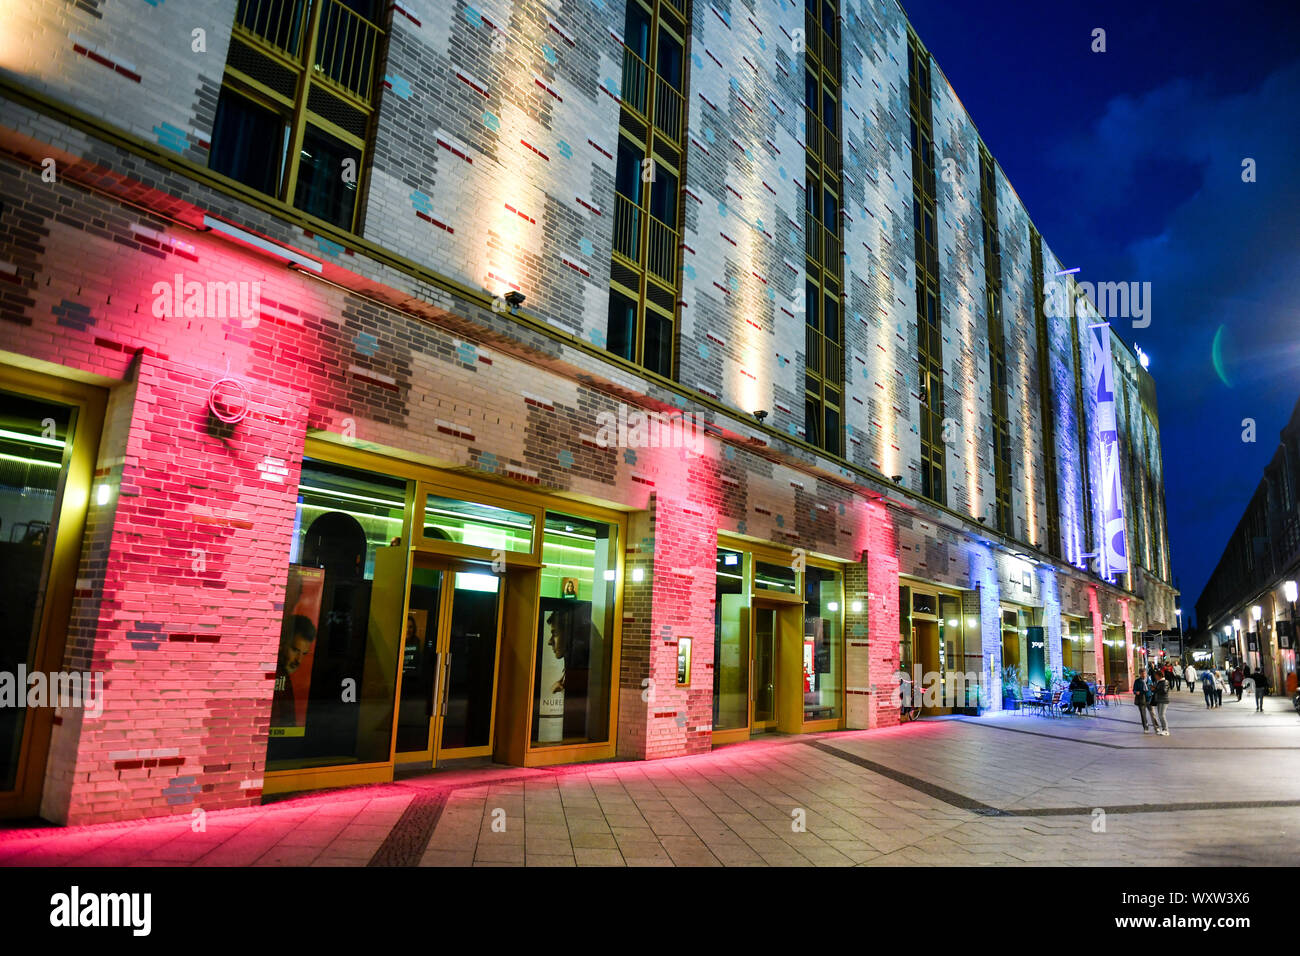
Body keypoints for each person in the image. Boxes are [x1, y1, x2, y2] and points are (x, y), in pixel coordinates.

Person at [273, 615, 316, 727]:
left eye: (304, 654)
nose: (299, 660)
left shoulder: (284, 678)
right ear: (281, 643)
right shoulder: (276, 675)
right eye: (295, 650)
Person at [1150, 670, 1171, 735]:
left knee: (1162, 715)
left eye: (1156, 675)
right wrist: (1154, 689)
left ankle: (1166, 730)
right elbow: (1159, 690)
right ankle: (1164, 729)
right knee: (1160, 715)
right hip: (1159, 700)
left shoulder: (1165, 682)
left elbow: (1164, 691)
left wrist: (1154, 689)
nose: (1155, 677)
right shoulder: (1159, 682)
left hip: (1164, 700)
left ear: (1159, 675)